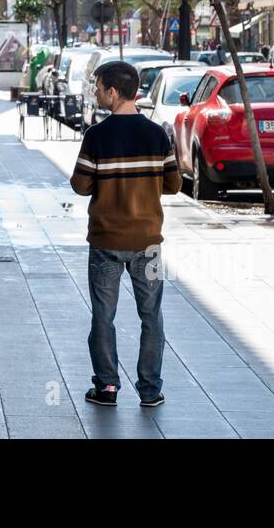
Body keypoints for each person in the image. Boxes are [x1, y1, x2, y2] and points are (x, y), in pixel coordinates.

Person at [70, 60, 182, 408]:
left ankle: (106, 387)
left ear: (114, 92)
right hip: (148, 242)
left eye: (99, 87)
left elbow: (80, 185)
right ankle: (150, 390)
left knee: (103, 315)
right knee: (151, 316)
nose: (97, 93)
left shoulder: (97, 136)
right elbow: (175, 184)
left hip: (105, 242)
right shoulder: (156, 134)